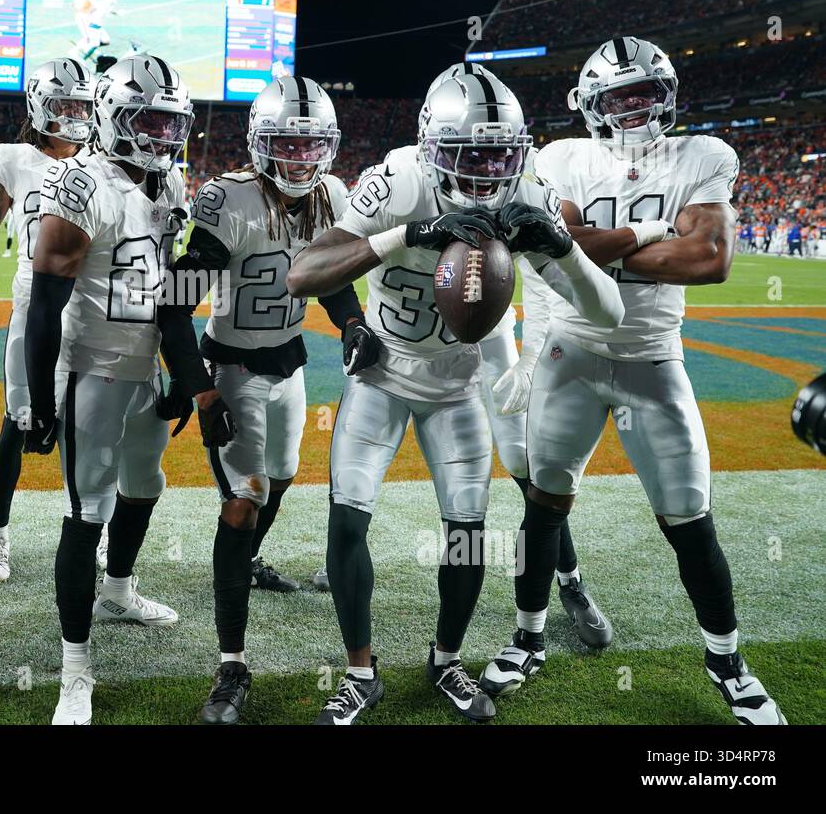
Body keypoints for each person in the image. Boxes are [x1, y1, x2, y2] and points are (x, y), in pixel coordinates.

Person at [287, 70, 624, 724]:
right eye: (471, 155)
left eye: (501, 154)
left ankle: (447, 661)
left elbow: (606, 311)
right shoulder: (400, 179)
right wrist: (406, 236)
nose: (487, 172)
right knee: (349, 520)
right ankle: (361, 673)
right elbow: (305, 273)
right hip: (382, 374)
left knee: (466, 535)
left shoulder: (527, 192)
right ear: (432, 147)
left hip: (458, 383)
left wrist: (560, 248)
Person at [480, 36, 785, 725]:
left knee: (690, 520)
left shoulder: (704, 154)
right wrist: (650, 233)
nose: (636, 107)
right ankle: (528, 638)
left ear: (668, 94)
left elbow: (708, 258)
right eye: (620, 96)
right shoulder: (561, 157)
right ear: (592, 104)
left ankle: (728, 663)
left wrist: (598, 250)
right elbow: (556, 252)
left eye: (646, 93)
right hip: (571, 358)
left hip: (653, 359)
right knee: (544, 506)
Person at [157, 76, 379, 724]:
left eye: (313, 147)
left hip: (290, 365)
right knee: (241, 503)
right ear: (261, 144)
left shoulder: (331, 197)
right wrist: (200, 389)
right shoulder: (228, 200)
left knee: (280, 481)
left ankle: (247, 564)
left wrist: (355, 323)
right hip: (234, 370)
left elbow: (333, 279)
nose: (301, 160)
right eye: (288, 144)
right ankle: (231, 665)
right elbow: (173, 308)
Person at [22, 55, 215, 724]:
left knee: (146, 486)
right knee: (85, 514)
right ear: (110, 117)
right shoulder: (82, 183)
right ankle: (75, 670)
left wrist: (183, 374)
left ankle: (120, 591)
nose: (161, 135)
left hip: (145, 367)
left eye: (170, 122)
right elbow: (44, 303)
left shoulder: (169, 186)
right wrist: (39, 401)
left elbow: (169, 287)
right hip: (93, 373)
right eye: (146, 120)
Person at [0, 58, 95, 583]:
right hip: (34, 299)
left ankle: (88, 530)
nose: (77, 116)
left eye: (83, 105)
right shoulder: (12, 158)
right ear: (39, 107)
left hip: (92, 305)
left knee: (88, 423)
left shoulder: (101, 161)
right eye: (66, 106)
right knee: (20, 421)